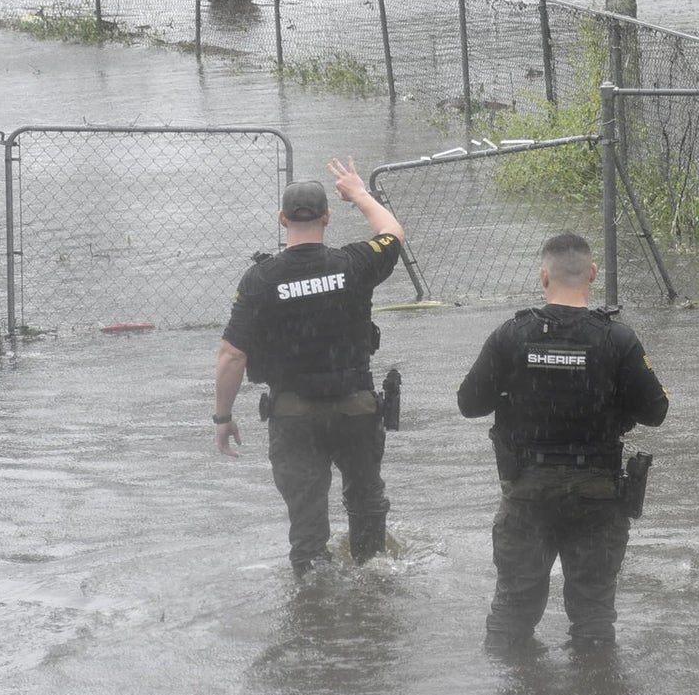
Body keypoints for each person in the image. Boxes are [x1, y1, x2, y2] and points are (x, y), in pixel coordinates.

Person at [457, 233, 670, 649]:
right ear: (592, 273)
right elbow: (656, 411)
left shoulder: (511, 336)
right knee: (593, 618)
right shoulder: (618, 340)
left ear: (543, 276)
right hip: (596, 496)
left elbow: (469, 404)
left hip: (528, 493)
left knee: (512, 613)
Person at [212, 157, 405, 577]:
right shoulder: (354, 264)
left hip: (294, 413)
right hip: (355, 408)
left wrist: (223, 416)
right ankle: (374, 598)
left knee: (307, 528)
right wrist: (358, 192)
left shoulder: (260, 279)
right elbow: (392, 233)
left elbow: (232, 355)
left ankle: (313, 608)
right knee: (367, 506)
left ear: (282, 219)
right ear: (327, 217)